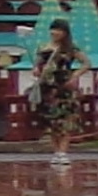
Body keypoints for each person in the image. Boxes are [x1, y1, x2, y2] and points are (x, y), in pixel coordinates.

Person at [32, 19, 85, 165]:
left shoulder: (70, 48)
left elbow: (86, 63)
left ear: (65, 32)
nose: (54, 32)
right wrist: (36, 70)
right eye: (53, 29)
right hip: (48, 88)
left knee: (65, 120)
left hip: (64, 88)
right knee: (51, 121)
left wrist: (75, 76)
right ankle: (56, 152)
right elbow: (37, 65)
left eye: (58, 30)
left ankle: (63, 151)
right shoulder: (43, 48)